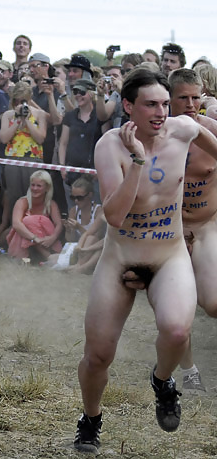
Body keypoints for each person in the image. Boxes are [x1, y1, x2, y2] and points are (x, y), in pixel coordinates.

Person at [73, 68, 217, 453]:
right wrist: (137, 161)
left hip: (168, 256)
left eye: (165, 104)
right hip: (120, 260)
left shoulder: (184, 130)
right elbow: (115, 215)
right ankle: (90, 419)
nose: (161, 112)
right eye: (151, 104)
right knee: (98, 356)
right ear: (128, 106)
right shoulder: (110, 145)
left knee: (177, 331)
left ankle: (163, 381)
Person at [166, 68, 217, 393]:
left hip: (206, 225)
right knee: (178, 308)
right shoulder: (155, 134)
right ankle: (189, 370)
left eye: (195, 97)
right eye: (183, 97)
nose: (190, 104)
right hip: (168, 230)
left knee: (213, 303)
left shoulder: (212, 131)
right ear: (169, 99)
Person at [0, 81, 47, 209]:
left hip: (33, 158)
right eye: (16, 101)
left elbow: (40, 139)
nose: (19, 104)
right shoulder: (8, 115)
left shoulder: (39, 114)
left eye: (23, 101)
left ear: (29, 99)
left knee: (34, 195)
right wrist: (18, 119)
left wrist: (28, 120)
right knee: (14, 196)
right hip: (13, 159)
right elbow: (4, 138)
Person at [6, 170, 63, 262]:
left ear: (47, 188)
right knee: (27, 221)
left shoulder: (51, 204)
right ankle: (48, 256)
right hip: (26, 239)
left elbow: (59, 224)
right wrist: (35, 238)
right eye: (33, 185)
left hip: (45, 241)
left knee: (36, 221)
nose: (35, 188)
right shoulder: (22, 202)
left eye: (39, 186)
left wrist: (53, 237)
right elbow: (16, 224)